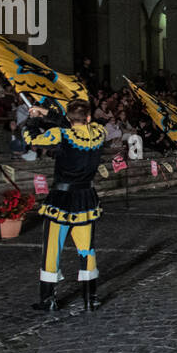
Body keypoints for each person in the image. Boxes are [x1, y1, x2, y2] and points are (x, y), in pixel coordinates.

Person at [23, 100, 105, 311]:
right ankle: (90, 298)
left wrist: (33, 119)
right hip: (86, 197)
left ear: (69, 118)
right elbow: (70, 122)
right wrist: (47, 113)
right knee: (87, 249)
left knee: (52, 248)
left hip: (62, 197)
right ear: (88, 118)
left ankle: (47, 299)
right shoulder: (99, 132)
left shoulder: (60, 134)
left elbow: (31, 139)